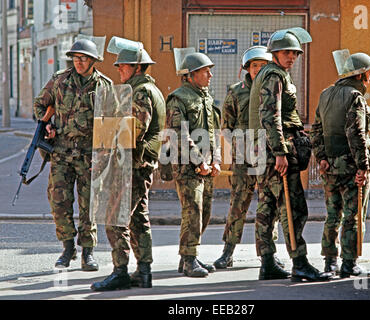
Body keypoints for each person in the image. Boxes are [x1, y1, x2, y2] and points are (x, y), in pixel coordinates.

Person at [249, 28, 331, 281]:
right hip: (275, 150)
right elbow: (270, 116)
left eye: (294, 53)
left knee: (268, 207)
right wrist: (280, 152)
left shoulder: (266, 73)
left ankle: (268, 262)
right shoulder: (274, 75)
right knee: (293, 208)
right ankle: (300, 262)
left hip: (262, 150)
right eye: (286, 52)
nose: (291, 57)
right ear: (274, 53)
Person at [91, 41, 166, 291]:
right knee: (138, 220)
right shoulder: (147, 89)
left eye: (122, 66)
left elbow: (135, 129)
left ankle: (120, 271)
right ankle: (143, 272)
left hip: (132, 165)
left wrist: (108, 137)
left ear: (136, 67)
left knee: (115, 217)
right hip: (139, 164)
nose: (118, 70)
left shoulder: (141, 91)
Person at [33, 38, 112, 271]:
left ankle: (88, 252)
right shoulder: (59, 81)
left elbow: (113, 122)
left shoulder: (104, 86)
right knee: (59, 201)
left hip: (90, 155)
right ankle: (67, 249)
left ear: (93, 61)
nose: (78, 62)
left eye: (83, 58)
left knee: (90, 205)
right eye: (75, 58)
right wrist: (45, 125)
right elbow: (40, 105)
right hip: (61, 153)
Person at [214, 46, 282, 269]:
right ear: (247, 69)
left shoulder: (273, 88)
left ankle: (268, 254)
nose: (258, 70)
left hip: (267, 156)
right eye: (254, 66)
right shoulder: (236, 91)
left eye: (263, 66)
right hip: (243, 158)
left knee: (268, 205)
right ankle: (228, 251)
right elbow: (226, 127)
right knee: (238, 203)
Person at [310, 50, 370, 278]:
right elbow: (356, 133)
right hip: (350, 167)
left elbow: (316, 130)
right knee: (353, 215)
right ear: (359, 75)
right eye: (369, 73)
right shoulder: (354, 97)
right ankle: (349, 263)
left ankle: (329, 262)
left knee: (332, 215)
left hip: (331, 167)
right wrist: (363, 166)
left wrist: (322, 159)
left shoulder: (326, 93)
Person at [166, 52, 221, 277]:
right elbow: (180, 134)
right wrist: (199, 161)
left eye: (209, 70)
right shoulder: (178, 98)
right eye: (205, 71)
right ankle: (189, 260)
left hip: (206, 167)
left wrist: (215, 160)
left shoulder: (205, 97)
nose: (210, 74)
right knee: (193, 211)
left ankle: (189, 256)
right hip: (188, 167)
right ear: (191, 75)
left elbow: (213, 133)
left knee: (204, 212)